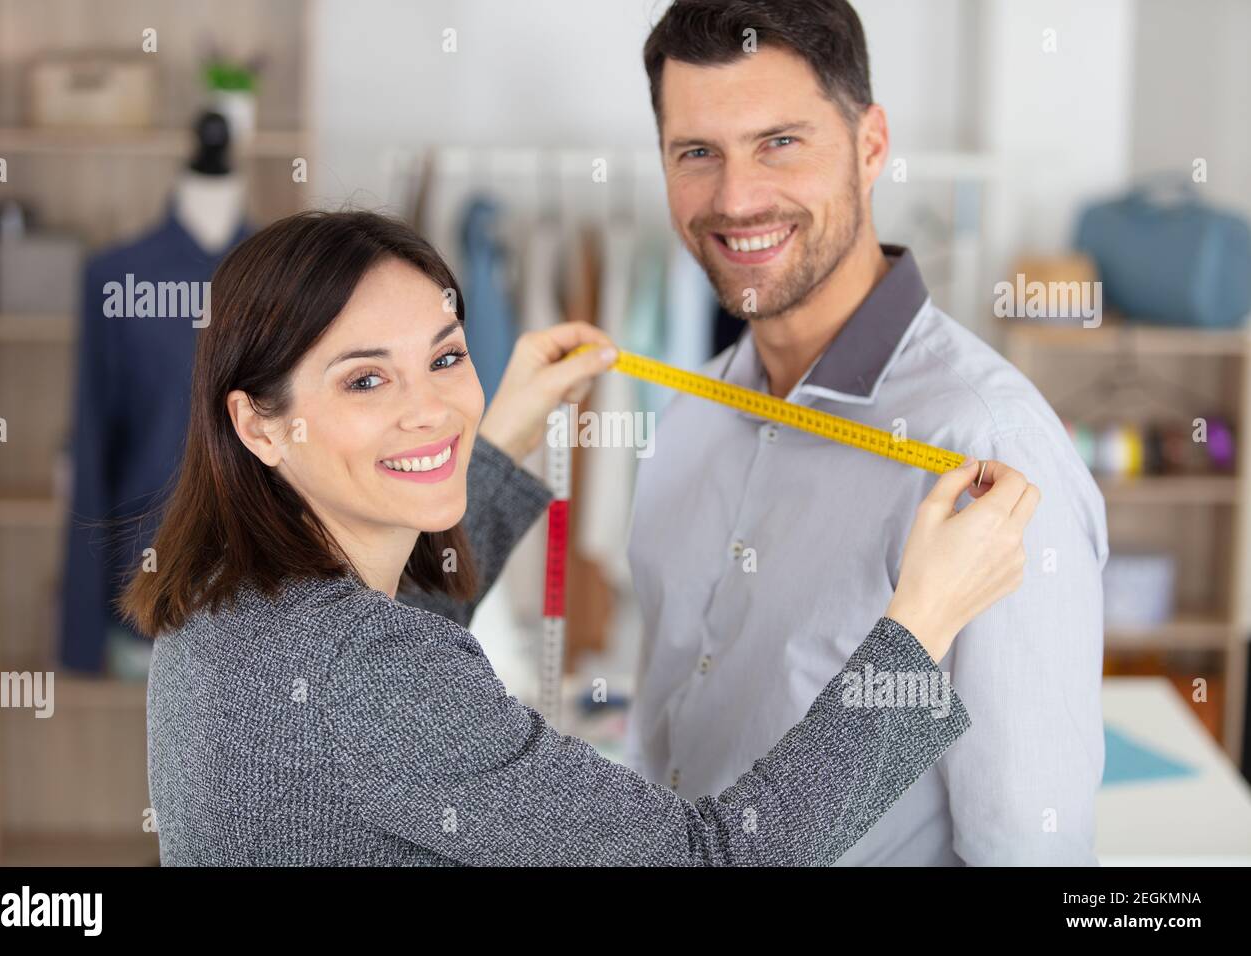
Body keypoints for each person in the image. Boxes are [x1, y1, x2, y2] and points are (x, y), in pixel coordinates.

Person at [123, 210, 1037, 866]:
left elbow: (395, 637)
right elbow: (711, 861)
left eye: (445, 358)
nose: (435, 410)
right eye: (367, 383)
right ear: (260, 425)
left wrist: (500, 442)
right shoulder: (368, 672)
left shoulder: (217, 599)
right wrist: (921, 623)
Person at [625, 0, 1107, 865]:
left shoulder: (988, 452)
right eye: (697, 153)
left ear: (871, 144)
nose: (736, 199)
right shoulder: (687, 420)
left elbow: (1028, 853)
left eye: (780, 141)